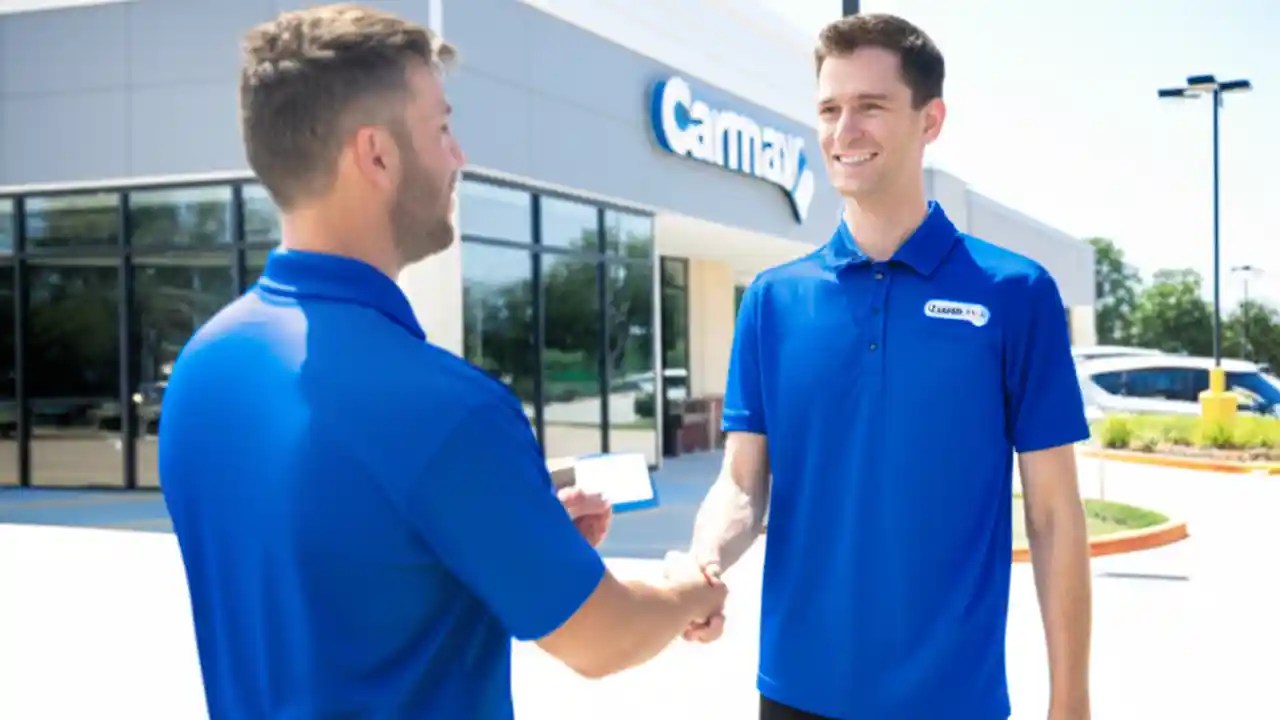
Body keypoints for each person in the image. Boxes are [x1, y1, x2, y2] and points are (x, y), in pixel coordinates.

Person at [158, 5, 725, 719]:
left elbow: (340, 562)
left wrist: (509, 524)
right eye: (442, 129)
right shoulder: (449, 410)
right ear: (377, 155)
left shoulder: (201, 371)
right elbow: (603, 638)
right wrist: (689, 591)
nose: (458, 158)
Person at [673, 13, 1093, 720]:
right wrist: (704, 558)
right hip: (795, 692)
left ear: (931, 121)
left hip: (952, 701)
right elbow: (743, 483)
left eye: (870, 106)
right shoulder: (773, 300)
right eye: (829, 109)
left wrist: (1071, 700)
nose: (845, 131)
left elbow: (1053, 516)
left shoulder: (1014, 293)